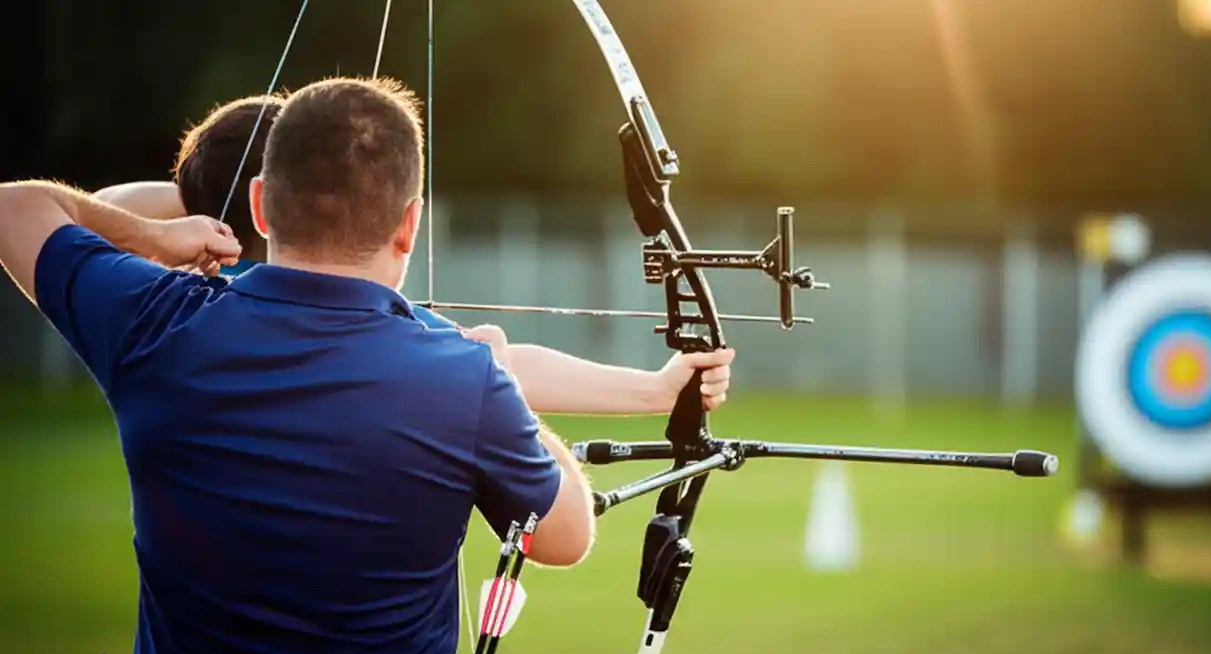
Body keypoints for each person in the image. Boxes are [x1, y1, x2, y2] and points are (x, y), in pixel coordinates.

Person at [0, 76, 727, 654]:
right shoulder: (460, 377)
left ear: (259, 203)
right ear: (411, 223)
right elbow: (565, 537)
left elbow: (16, 210)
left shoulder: (157, 323)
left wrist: (155, 234)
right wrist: (500, 386)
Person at [95, 94, 736, 416]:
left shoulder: (164, 323)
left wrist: (184, 215)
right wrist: (656, 392)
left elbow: (84, 213)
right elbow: (561, 533)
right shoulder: (377, 329)